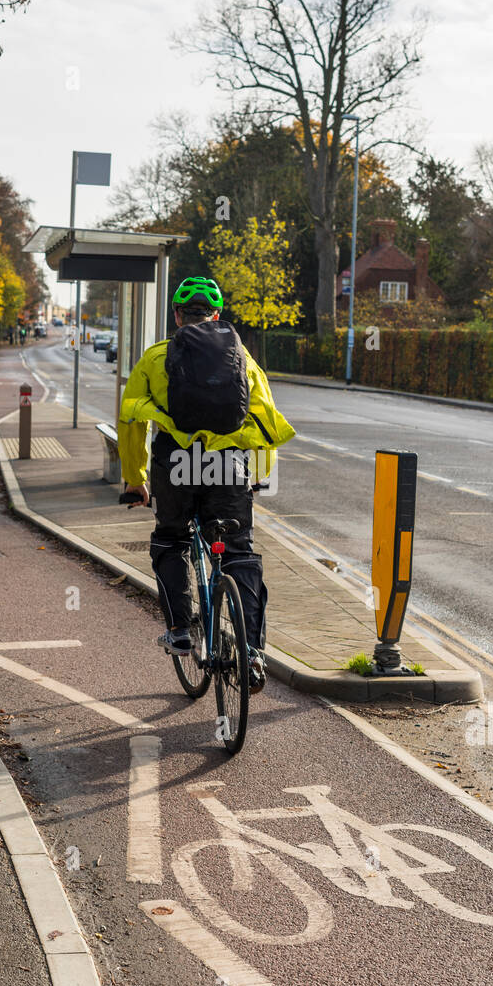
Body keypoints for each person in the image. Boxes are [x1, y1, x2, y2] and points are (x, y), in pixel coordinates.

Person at [117, 276, 295, 693]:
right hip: (227, 467)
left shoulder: (155, 357)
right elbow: (264, 418)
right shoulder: (241, 356)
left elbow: (131, 419)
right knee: (238, 552)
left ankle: (180, 629)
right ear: (216, 316)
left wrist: (135, 479)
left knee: (171, 540)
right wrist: (259, 474)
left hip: (176, 465)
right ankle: (251, 651)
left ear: (177, 316)